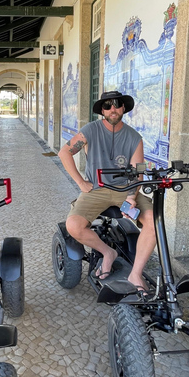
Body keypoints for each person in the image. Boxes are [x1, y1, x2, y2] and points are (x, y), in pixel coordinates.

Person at [58, 90, 156, 292]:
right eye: (107, 105)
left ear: (123, 108)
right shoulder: (90, 130)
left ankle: (135, 274)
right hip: (97, 189)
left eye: (117, 104)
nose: (113, 109)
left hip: (125, 189)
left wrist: (131, 196)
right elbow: (64, 152)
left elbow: (138, 170)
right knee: (73, 226)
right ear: (102, 110)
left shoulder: (134, 137)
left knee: (154, 221)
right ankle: (108, 252)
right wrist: (81, 182)